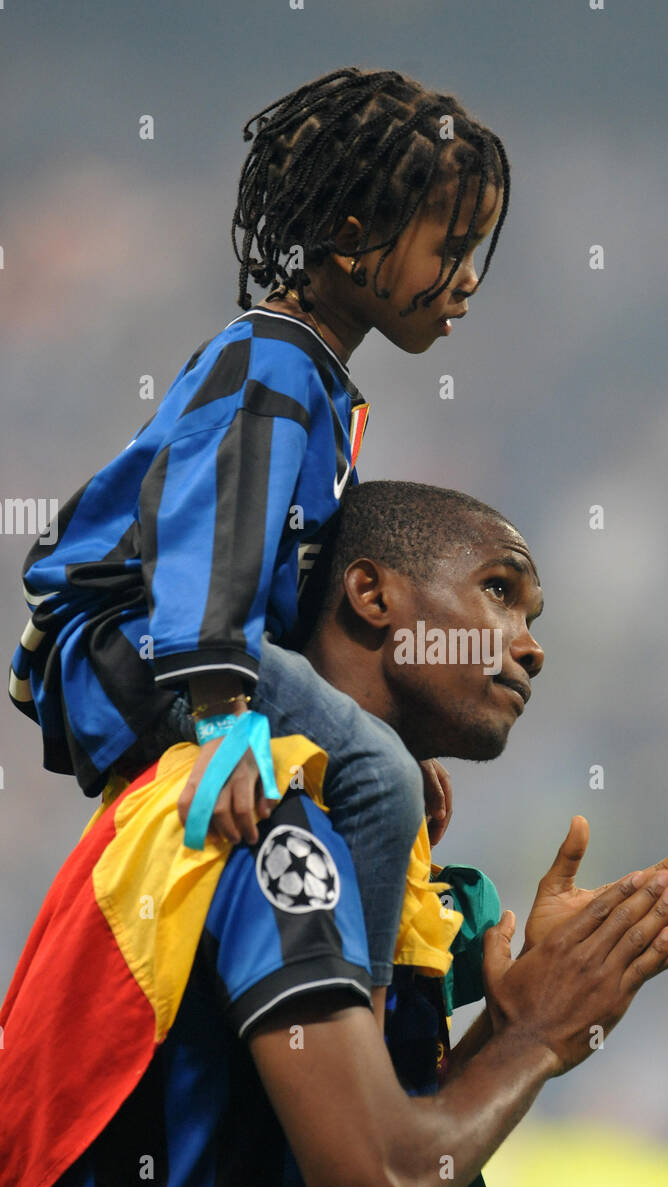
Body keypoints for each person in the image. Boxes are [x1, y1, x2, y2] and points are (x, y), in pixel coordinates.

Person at [0, 481, 668, 1187]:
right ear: (372, 594)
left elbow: (378, 1178)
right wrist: (535, 1038)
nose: (530, 647)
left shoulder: (364, 850)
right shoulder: (260, 817)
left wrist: (508, 1025)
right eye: (500, 592)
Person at [7, 66, 509, 991]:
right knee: (378, 782)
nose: (469, 277)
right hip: (133, 640)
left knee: (380, 767)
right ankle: (341, 1019)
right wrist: (224, 720)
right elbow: (213, 546)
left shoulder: (311, 375)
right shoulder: (273, 362)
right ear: (355, 241)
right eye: (452, 245)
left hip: (171, 642)